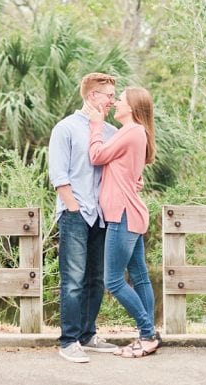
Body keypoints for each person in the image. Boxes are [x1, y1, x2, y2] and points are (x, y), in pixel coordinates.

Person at [48, 72, 120, 363]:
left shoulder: (111, 132)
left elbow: (118, 169)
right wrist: (74, 208)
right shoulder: (65, 128)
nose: (113, 101)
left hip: (103, 216)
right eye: (109, 96)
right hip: (75, 215)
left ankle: (88, 335)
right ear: (92, 96)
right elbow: (58, 175)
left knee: (97, 279)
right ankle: (69, 341)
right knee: (73, 280)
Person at [88, 86, 160, 358]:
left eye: (120, 99)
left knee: (114, 281)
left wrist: (96, 125)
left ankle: (148, 334)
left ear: (131, 107)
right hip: (130, 213)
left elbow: (96, 155)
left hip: (123, 215)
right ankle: (148, 335)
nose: (115, 102)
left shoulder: (131, 131)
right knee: (140, 277)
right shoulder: (135, 133)